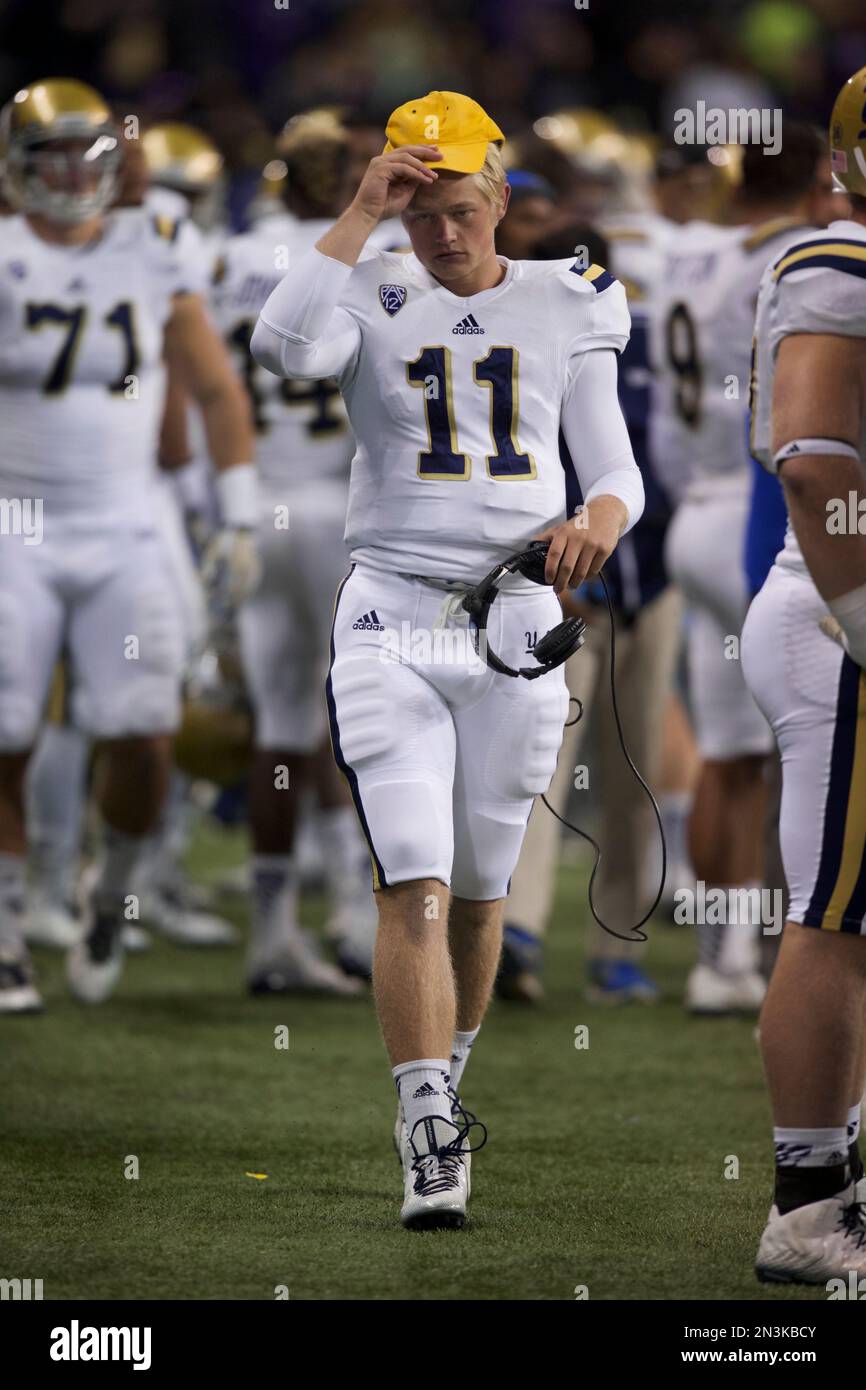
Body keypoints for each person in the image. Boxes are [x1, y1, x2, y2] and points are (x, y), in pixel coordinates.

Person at [251, 90, 644, 1229]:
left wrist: (597, 525)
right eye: (419, 209)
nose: (440, 232)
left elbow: (611, 465)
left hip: (517, 625)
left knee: (478, 894)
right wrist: (364, 204)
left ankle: (445, 1091)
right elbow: (281, 349)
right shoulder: (367, 286)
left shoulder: (567, 299)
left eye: (458, 205)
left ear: (501, 197)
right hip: (392, 617)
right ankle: (425, 1127)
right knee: (412, 876)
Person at [0, 79, 255, 1012]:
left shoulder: (154, 247)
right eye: (49, 157)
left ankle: (111, 896)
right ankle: (8, 931)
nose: (70, 175)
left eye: (87, 154)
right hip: (13, 521)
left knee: (146, 733)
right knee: (8, 728)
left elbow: (218, 389)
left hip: (127, 518)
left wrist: (237, 508)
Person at [650, 122, 829, 1014]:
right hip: (760, 519)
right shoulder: (804, 254)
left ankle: (722, 961)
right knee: (808, 750)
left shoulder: (687, 253)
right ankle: (811, 944)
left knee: (729, 754)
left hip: (694, 511)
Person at [741, 68, 866, 1283]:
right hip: (838, 621)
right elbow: (815, 458)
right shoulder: (834, 264)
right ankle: (804, 1207)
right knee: (832, 911)